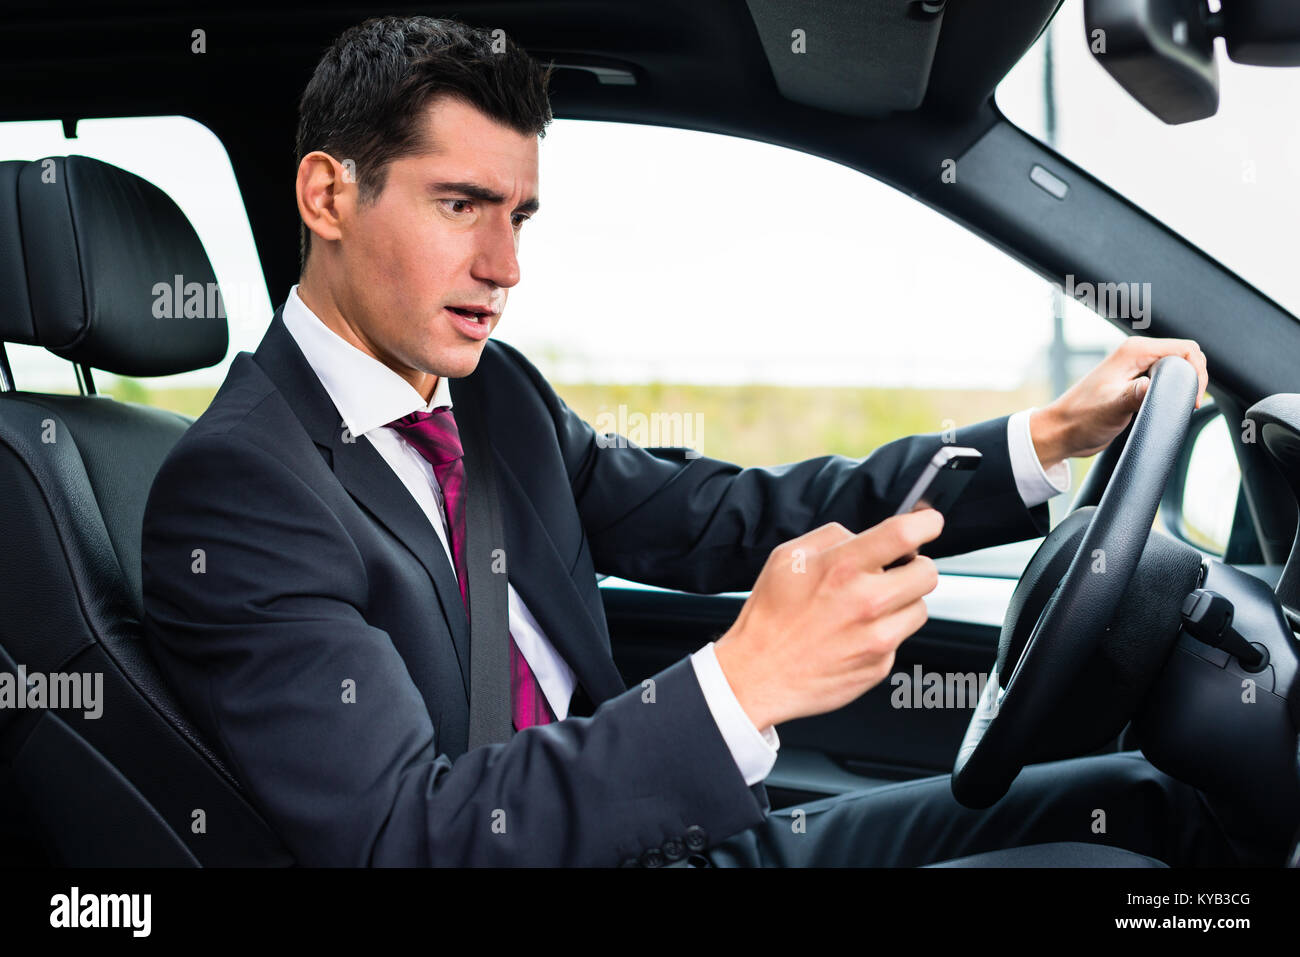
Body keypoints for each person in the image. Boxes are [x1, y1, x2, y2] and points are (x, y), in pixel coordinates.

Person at [141, 15, 1220, 867]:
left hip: (677, 835)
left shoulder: (489, 396)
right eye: (461, 205)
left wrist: (1039, 438)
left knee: (1132, 808)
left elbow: (723, 520)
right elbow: (403, 837)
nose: (504, 266)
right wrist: (741, 683)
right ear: (328, 195)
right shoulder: (241, 489)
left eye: (517, 217)